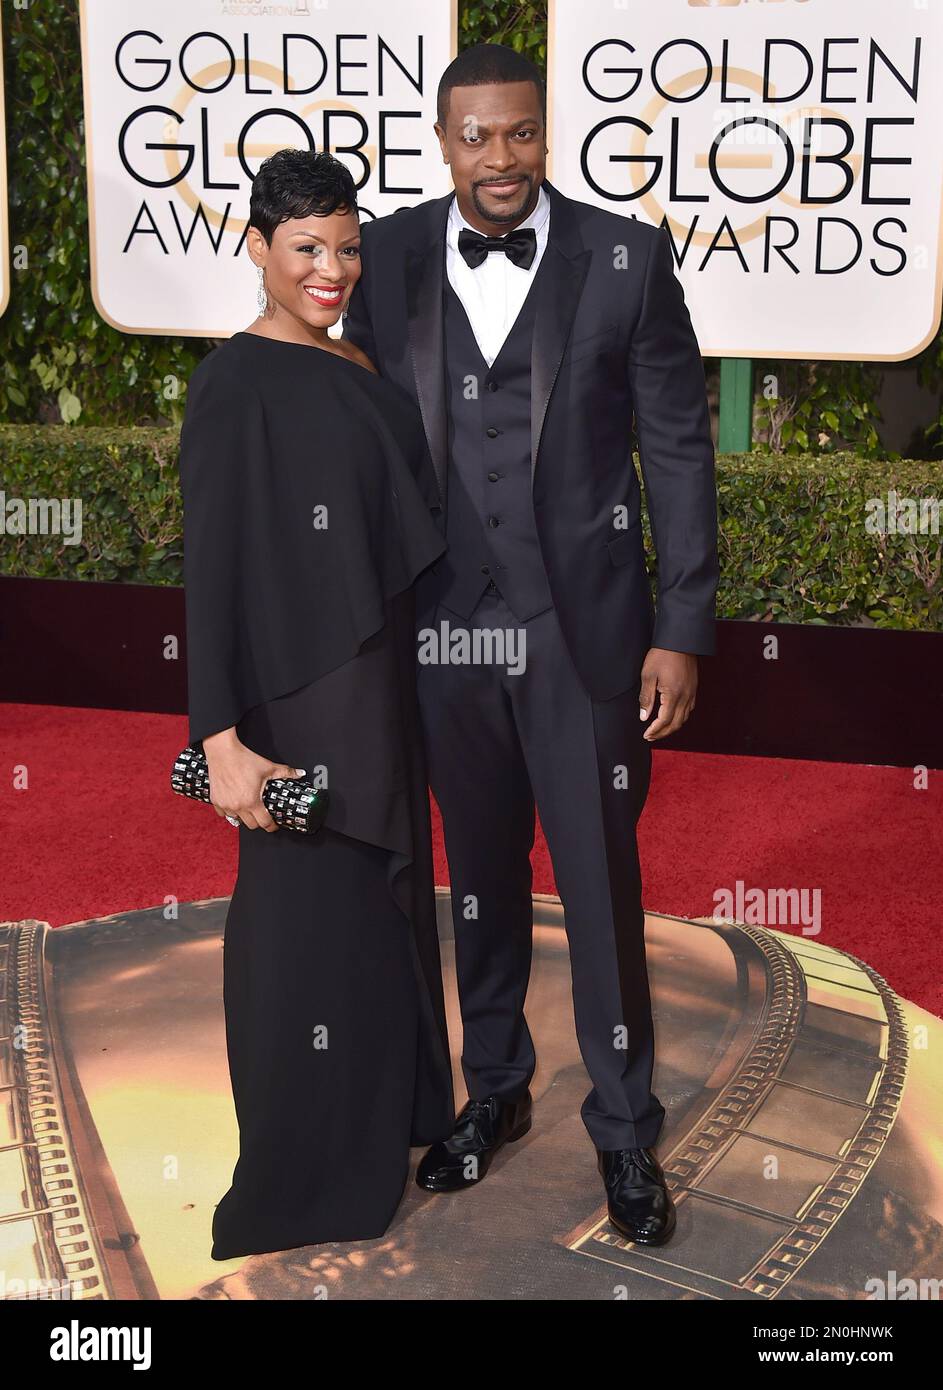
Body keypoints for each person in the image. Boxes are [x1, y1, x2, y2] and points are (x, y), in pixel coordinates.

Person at [343, 44, 719, 1246]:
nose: (498, 160)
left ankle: (623, 1130)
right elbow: (352, 435)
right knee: (481, 877)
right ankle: (493, 1090)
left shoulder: (625, 256)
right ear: (442, 140)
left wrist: (681, 625)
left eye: (519, 135)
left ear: (544, 135)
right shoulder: (391, 251)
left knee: (599, 883)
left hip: (582, 629)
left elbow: (675, 449)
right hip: (442, 622)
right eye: (474, 137)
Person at [177, 149, 454, 1261]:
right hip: (293, 701)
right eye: (306, 249)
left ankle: (385, 1121)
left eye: (345, 247)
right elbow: (212, 567)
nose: (331, 268)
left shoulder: (351, 361)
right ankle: (301, 1173)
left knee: (378, 908)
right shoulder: (233, 382)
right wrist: (221, 738)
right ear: (256, 248)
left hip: (374, 682)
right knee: (301, 930)